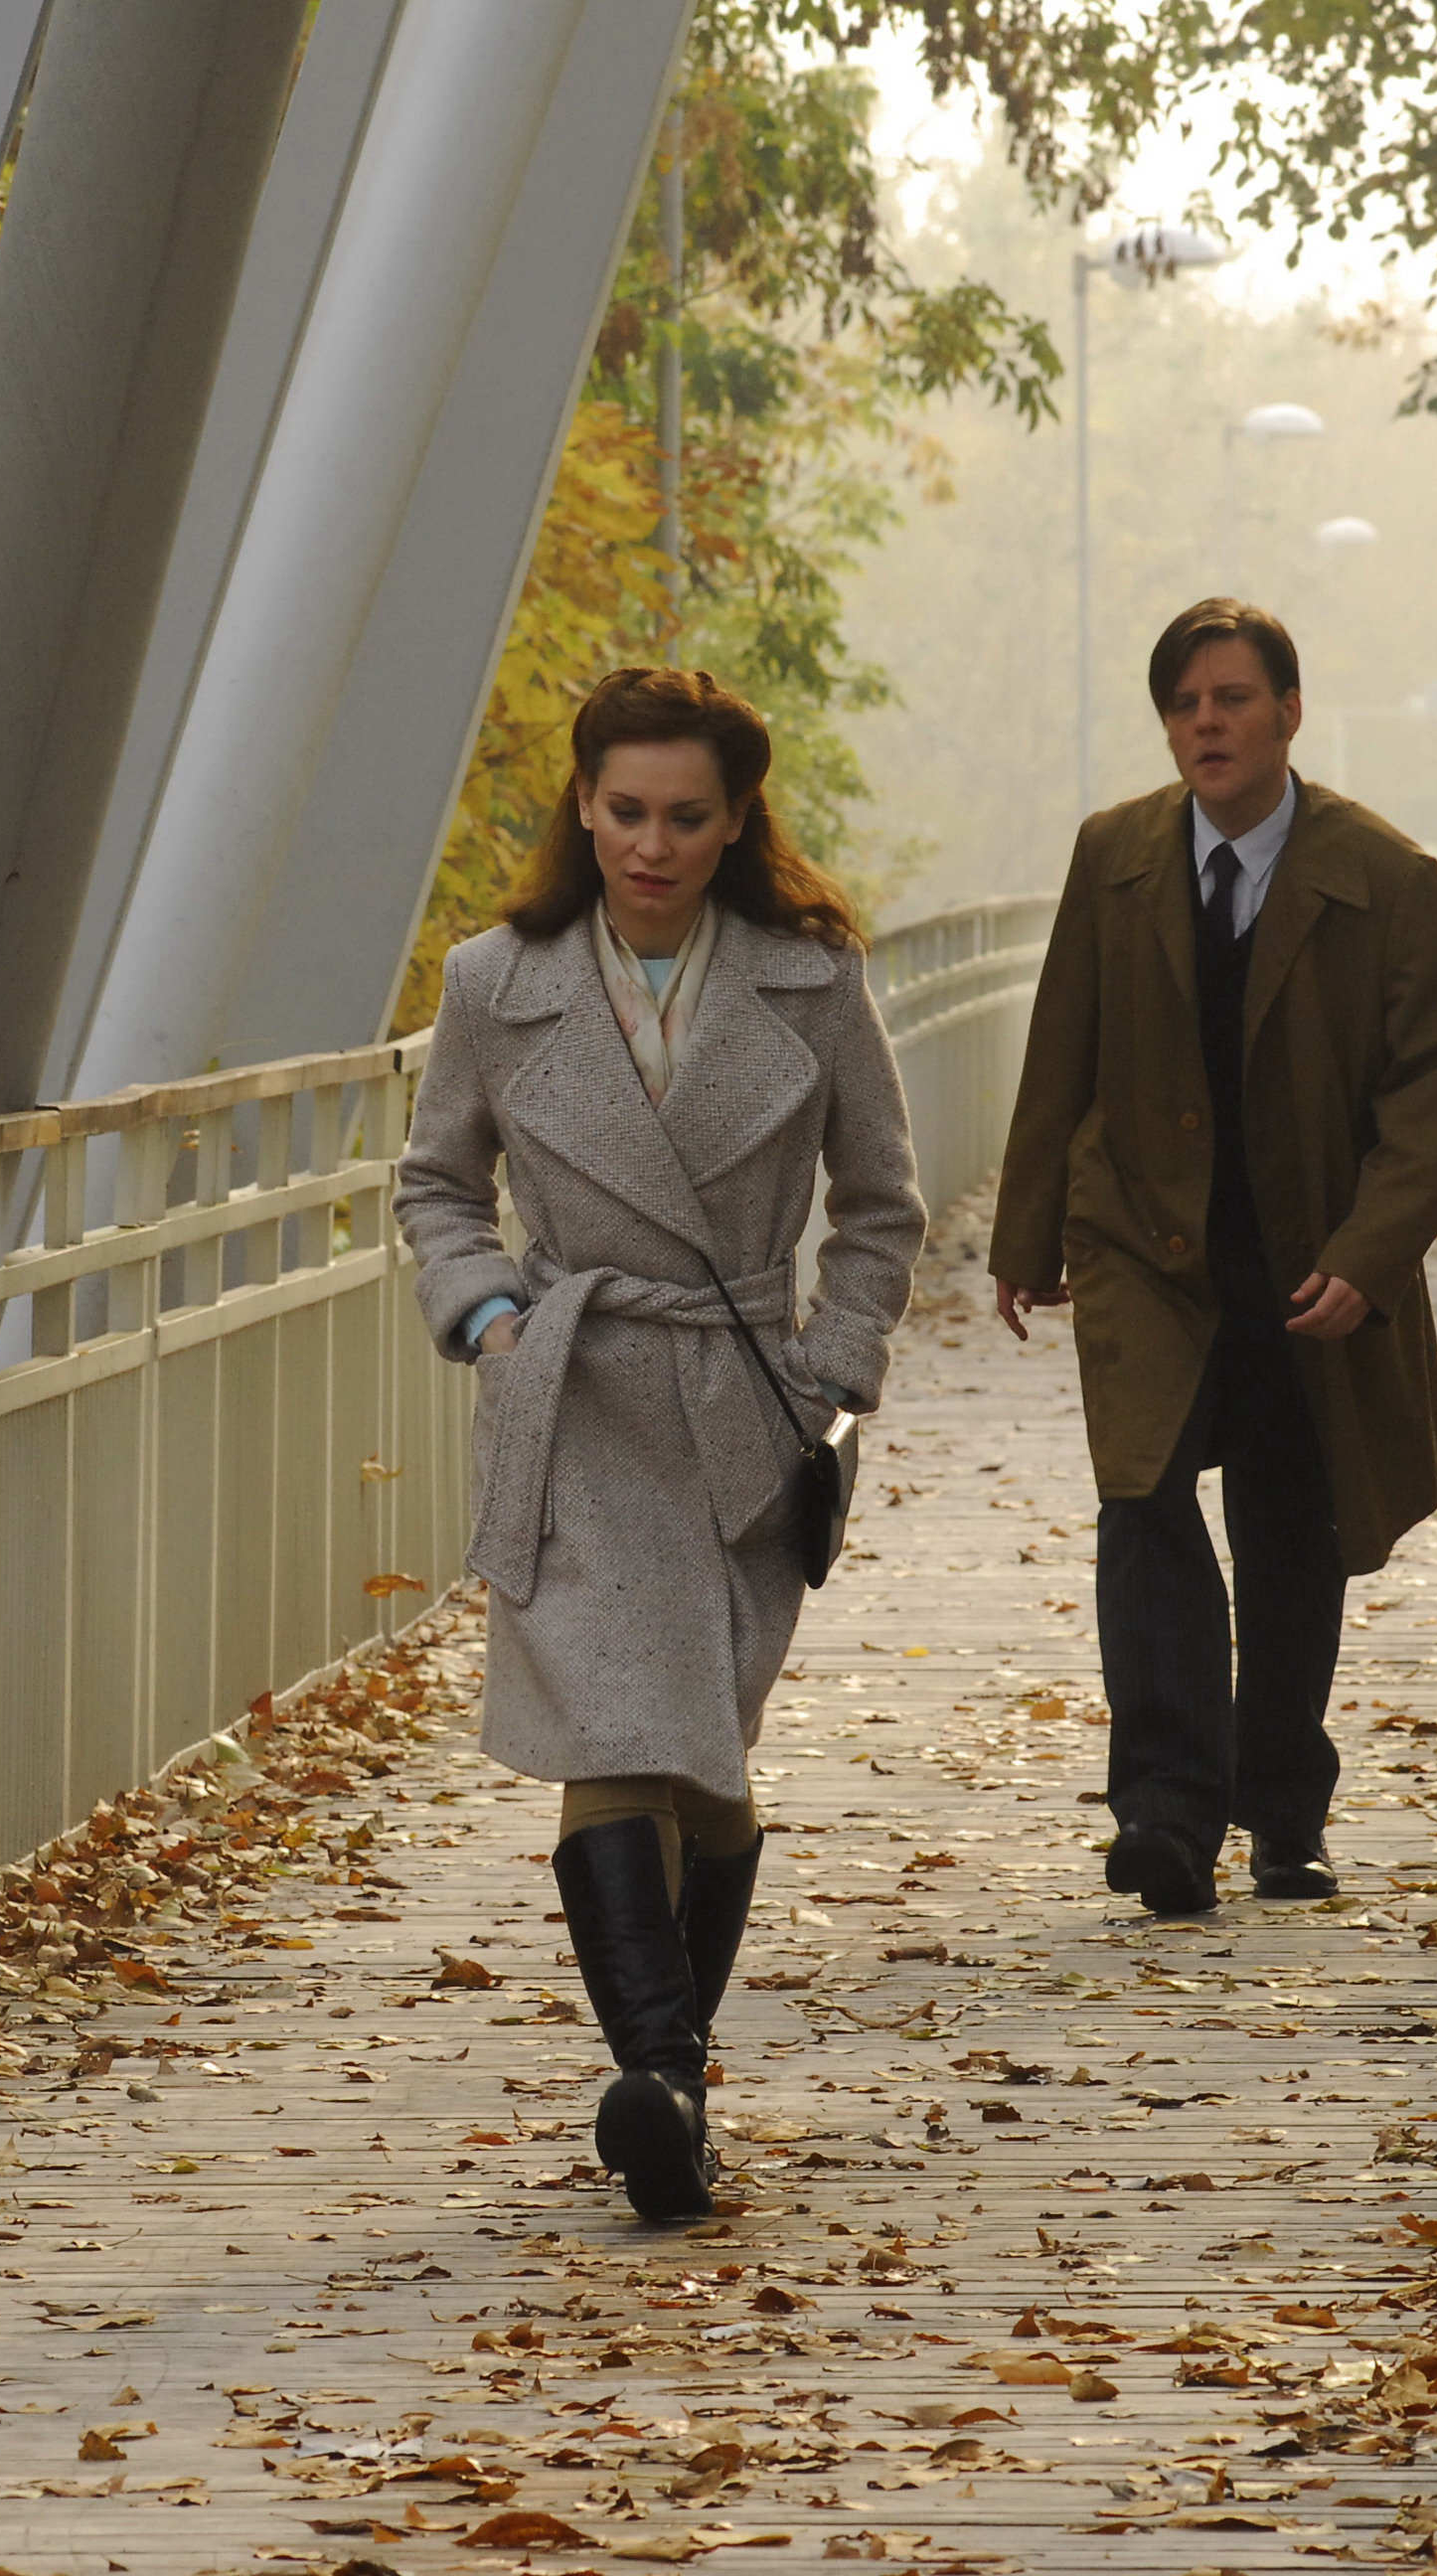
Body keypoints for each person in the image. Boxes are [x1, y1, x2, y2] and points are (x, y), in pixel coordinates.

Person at [397, 667, 923, 2223]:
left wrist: (830, 1370)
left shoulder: (814, 983)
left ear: (737, 818)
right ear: (582, 804)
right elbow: (436, 1184)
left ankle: (671, 2087)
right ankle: (655, 2070)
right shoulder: (499, 981)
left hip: (747, 1413)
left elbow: (883, 1202)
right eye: (625, 810)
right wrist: (488, 1310)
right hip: (575, 1399)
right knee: (618, 1731)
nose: (652, 843)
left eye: (687, 816)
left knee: (703, 1763)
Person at [991, 598, 1437, 1917]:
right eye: (1184, 703)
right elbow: (1063, 1048)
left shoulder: (1384, 879)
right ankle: (1162, 1810)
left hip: (1306, 1258)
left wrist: (1371, 1256)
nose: (1205, 723)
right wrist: (1026, 1234)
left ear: (1289, 713)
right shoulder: (1116, 857)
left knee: (1287, 1527)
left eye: (1231, 698)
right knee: (1140, 1498)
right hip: (1145, 1246)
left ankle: (1282, 1814)